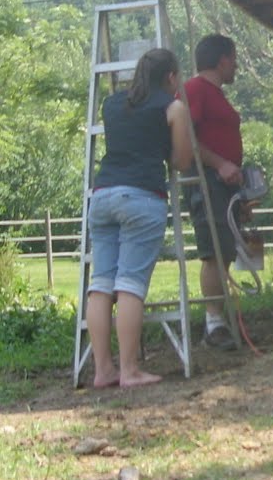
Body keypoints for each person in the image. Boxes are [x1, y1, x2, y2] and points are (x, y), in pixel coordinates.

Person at [86, 47, 193, 389]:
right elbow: (182, 161)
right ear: (171, 78)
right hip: (142, 197)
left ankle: (103, 370)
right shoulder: (173, 107)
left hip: (102, 196)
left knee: (101, 284)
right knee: (130, 284)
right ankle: (130, 370)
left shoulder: (112, 104)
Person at [184, 33, 245, 346]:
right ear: (222, 60)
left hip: (223, 183)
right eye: (233, 59)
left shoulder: (215, 94)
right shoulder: (196, 89)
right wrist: (221, 164)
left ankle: (218, 320)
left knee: (224, 249)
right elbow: (188, 138)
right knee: (213, 252)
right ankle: (213, 323)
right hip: (207, 182)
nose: (235, 66)